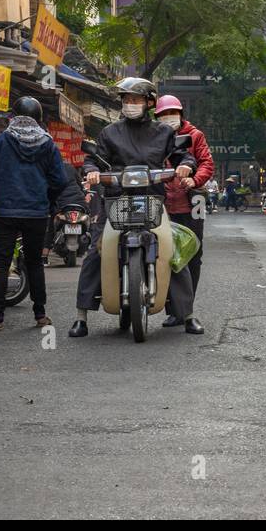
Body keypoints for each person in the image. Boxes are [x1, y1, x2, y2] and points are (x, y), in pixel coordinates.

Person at [69, 78, 196, 338]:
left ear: (149, 102)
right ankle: (81, 315)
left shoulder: (164, 132)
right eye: (126, 100)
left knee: (173, 250)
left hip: (152, 199)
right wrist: (92, 172)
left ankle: (188, 314)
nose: (130, 105)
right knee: (96, 249)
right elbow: (94, 160)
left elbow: (184, 155)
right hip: (116, 199)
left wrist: (185, 166)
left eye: (136, 100)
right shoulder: (110, 132)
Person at [0, 96, 70, 332]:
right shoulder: (47, 143)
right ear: (38, 119)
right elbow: (60, 180)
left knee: (1, 262)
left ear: (13, 117)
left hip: (4, 211)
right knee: (34, 262)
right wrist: (46, 197)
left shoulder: (2, 141)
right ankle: (40, 314)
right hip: (36, 212)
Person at [154, 94, 214, 328]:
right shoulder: (154, 137)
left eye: (173, 113)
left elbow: (207, 163)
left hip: (191, 203)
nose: (169, 118)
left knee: (192, 255)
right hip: (161, 202)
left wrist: (195, 179)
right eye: (164, 115)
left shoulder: (195, 135)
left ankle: (185, 309)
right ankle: (174, 310)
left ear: (181, 115)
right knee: (165, 256)